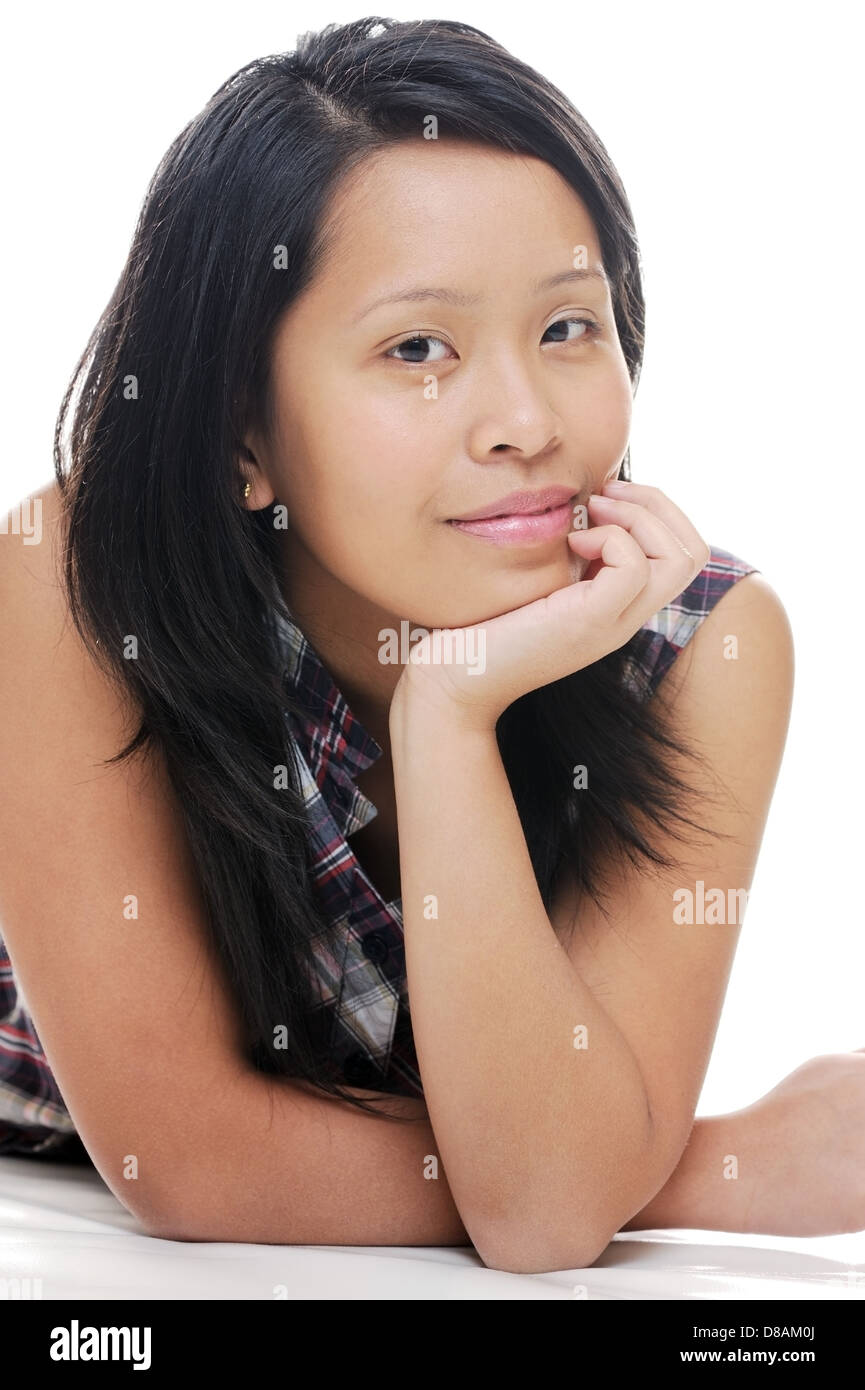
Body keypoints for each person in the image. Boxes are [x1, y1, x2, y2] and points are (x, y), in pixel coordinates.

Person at [0, 17, 862, 1275]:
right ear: (243, 434)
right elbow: (182, 1161)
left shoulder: (702, 641)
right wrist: (707, 1163)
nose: (525, 421)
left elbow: (544, 1219)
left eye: (570, 328)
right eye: (417, 349)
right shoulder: (71, 582)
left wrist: (449, 710)